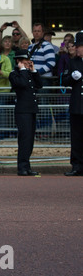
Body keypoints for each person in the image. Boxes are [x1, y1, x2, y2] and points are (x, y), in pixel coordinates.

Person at [9, 49, 43, 176]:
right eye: (24, 61)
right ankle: (22, 166)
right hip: (22, 110)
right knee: (24, 139)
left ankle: (27, 166)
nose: (27, 63)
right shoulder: (15, 74)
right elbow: (22, 84)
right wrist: (23, 70)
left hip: (31, 109)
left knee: (30, 140)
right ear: (18, 61)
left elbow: (39, 85)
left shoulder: (28, 73)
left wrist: (33, 71)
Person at [62, 31, 83, 176]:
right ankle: (77, 165)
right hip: (77, 104)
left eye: (79, 46)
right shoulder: (73, 61)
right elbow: (64, 81)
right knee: (76, 137)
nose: (76, 49)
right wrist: (72, 77)